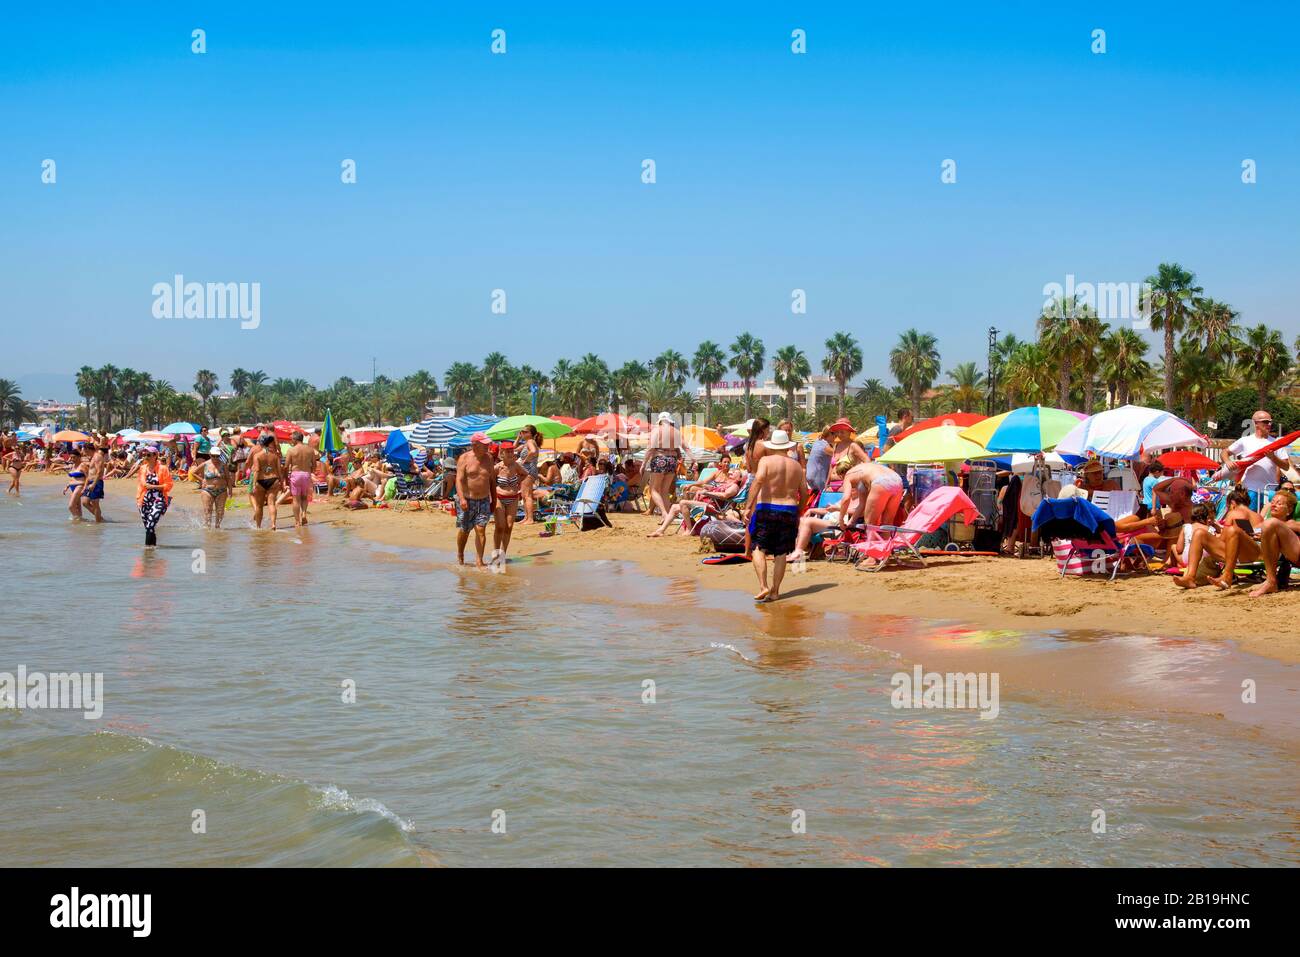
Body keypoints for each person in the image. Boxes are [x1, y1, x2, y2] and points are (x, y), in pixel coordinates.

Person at [744, 430, 806, 601]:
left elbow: (758, 480)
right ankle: (775, 591)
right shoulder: (797, 467)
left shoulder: (766, 460)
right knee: (781, 552)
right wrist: (799, 511)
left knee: (758, 547)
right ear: (787, 446)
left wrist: (748, 507)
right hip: (789, 510)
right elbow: (804, 493)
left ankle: (763, 586)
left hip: (767, 508)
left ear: (771, 446)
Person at [1174, 486, 1264, 590]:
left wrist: (1212, 541)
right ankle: (1190, 578)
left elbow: (1223, 540)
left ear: (1233, 503)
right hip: (1256, 553)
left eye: (1228, 506)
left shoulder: (1234, 513)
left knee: (1200, 534)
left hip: (1247, 555)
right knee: (1200, 533)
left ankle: (1190, 576)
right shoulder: (1257, 516)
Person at [646, 467, 742, 537]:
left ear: (739, 478)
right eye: (731, 472)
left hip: (713, 506)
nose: (731, 472)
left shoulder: (734, 486)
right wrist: (703, 489)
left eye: (734, 472)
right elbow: (711, 487)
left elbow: (724, 495)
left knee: (683, 502)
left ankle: (689, 529)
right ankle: (661, 530)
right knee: (675, 507)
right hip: (705, 502)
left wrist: (707, 493)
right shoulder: (725, 483)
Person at [1223, 411, 1289, 510]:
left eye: (1270, 422)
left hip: (1270, 490)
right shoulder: (1245, 441)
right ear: (1256, 423)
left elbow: (1286, 466)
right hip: (1250, 489)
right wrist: (1228, 461)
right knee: (1249, 520)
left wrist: (1273, 458)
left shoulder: (1276, 443)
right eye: (1265, 422)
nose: (1269, 424)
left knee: (1266, 522)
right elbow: (1225, 452)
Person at [1248, 490, 1300, 597]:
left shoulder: (1292, 523)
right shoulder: (1269, 526)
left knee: (1270, 523)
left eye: (1279, 503)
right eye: (1272, 502)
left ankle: (1271, 581)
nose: (1274, 505)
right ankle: (1270, 581)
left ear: (1289, 510)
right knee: (1269, 524)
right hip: (1292, 557)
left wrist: (1284, 526)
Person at [455, 434, 496, 568]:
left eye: (487, 444)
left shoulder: (489, 458)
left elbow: (491, 481)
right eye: (484, 444)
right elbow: (459, 480)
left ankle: (479, 560)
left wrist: (494, 500)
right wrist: (461, 499)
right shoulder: (464, 458)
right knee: (465, 530)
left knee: (481, 529)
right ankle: (460, 554)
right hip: (467, 500)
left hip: (483, 500)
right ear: (475, 445)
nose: (487, 447)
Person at [841, 459, 906, 528]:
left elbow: (846, 499)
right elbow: (862, 504)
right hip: (897, 480)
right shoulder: (864, 472)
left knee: (870, 524)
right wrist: (851, 522)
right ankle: (884, 538)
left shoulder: (848, 475)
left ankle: (871, 538)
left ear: (842, 475)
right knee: (887, 524)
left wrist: (841, 520)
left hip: (881, 481)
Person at [492, 441, 528, 564]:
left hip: (513, 497)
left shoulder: (516, 466)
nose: (510, 453)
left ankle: (503, 554)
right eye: (507, 451)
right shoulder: (497, 467)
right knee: (500, 526)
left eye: (512, 450)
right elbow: (489, 479)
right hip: (499, 497)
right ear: (502, 453)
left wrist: (518, 481)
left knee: (509, 526)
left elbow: (525, 474)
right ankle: (496, 553)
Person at [644, 412, 682, 518]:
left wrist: (644, 463)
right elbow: (678, 448)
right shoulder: (675, 432)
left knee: (654, 489)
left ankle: (664, 513)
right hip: (672, 460)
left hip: (660, 459)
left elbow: (650, 448)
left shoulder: (657, 431)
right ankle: (667, 516)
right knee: (664, 491)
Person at [136, 446, 173, 547]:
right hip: (144, 500)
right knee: (148, 527)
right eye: (144, 455)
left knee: (150, 524)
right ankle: (152, 550)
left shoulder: (163, 468)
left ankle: (147, 549)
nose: (146, 457)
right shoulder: (143, 468)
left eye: (148, 455)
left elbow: (169, 485)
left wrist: (154, 486)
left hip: (159, 499)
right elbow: (141, 484)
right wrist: (138, 499)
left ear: (155, 455)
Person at [248, 434, 284, 529]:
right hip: (273, 480)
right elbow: (279, 471)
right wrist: (282, 484)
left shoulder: (257, 456)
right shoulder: (275, 456)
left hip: (261, 480)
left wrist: (254, 484)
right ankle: (273, 524)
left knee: (259, 506)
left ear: (261, 444)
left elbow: (256, 470)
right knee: (271, 503)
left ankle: (258, 526)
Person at [284, 430, 318, 527]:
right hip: (306, 474)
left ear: (295, 439)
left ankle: (297, 522)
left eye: (292, 439)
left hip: (296, 474)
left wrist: (285, 477)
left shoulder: (291, 450)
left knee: (295, 499)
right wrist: (310, 472)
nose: (291, 441)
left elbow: (286, 466)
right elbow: (314, 465)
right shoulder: (310, 450)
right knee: (304, 497)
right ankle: (303, 514)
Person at [514, 425, 542, 524]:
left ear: (531, 434)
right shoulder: (527, 443)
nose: (523, 433)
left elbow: (533, 452)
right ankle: (527, 517)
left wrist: (524, 461)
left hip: (528, 471)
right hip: (527, 471)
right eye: (522, 432)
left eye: (525, 432)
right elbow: (513, 448)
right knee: (524, 494)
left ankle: (530, 518)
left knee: (527, 495)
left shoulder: (530, 442)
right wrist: (518, 437)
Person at [197, 445, 229, 527]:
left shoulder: (223, 465)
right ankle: (208, 529)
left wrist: (231, 491)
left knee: (220, 511)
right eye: (213, 456)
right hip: (207, 490)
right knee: (208, 510)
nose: (215, 458)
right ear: (210, 454)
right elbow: (193, 472)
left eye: (217, 456)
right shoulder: (205, 464)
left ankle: (217, 527)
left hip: (222, 491)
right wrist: (202, 480)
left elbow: (228, 478)